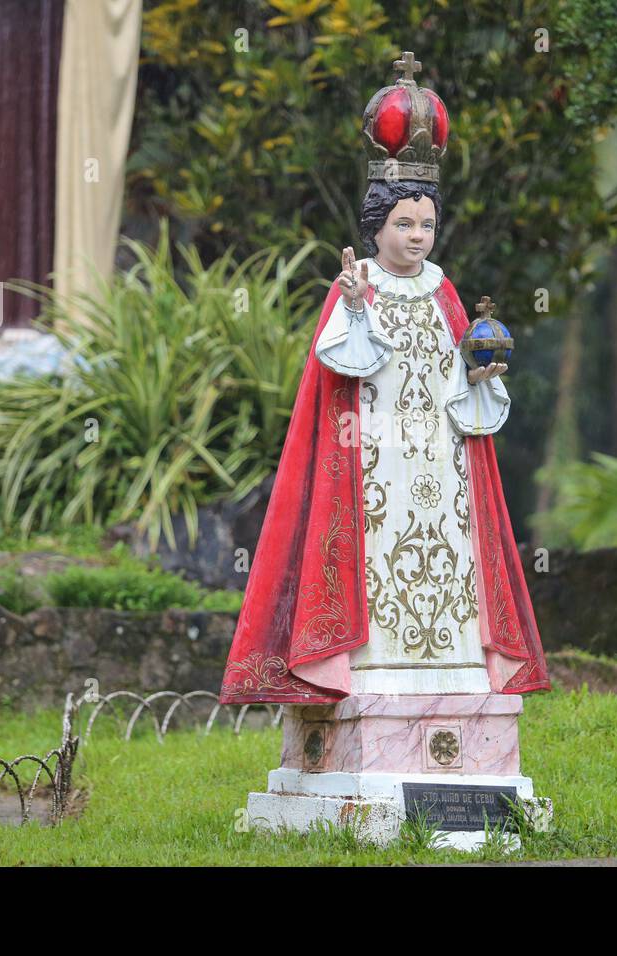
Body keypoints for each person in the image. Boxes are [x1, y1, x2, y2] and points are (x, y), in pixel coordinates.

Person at [219, 51, 548, 704]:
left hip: (442, 468)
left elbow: (463, 384)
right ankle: (364, 673)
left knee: (449, 563)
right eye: (405, 223)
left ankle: (457, 676)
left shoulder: (444, 290)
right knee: (375, 562)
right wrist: (352, 306)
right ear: (377, 225)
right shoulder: (356, 284)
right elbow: (344, 364)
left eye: (427, 223)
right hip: (371, 463)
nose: (419, 236)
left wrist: (483, 373)